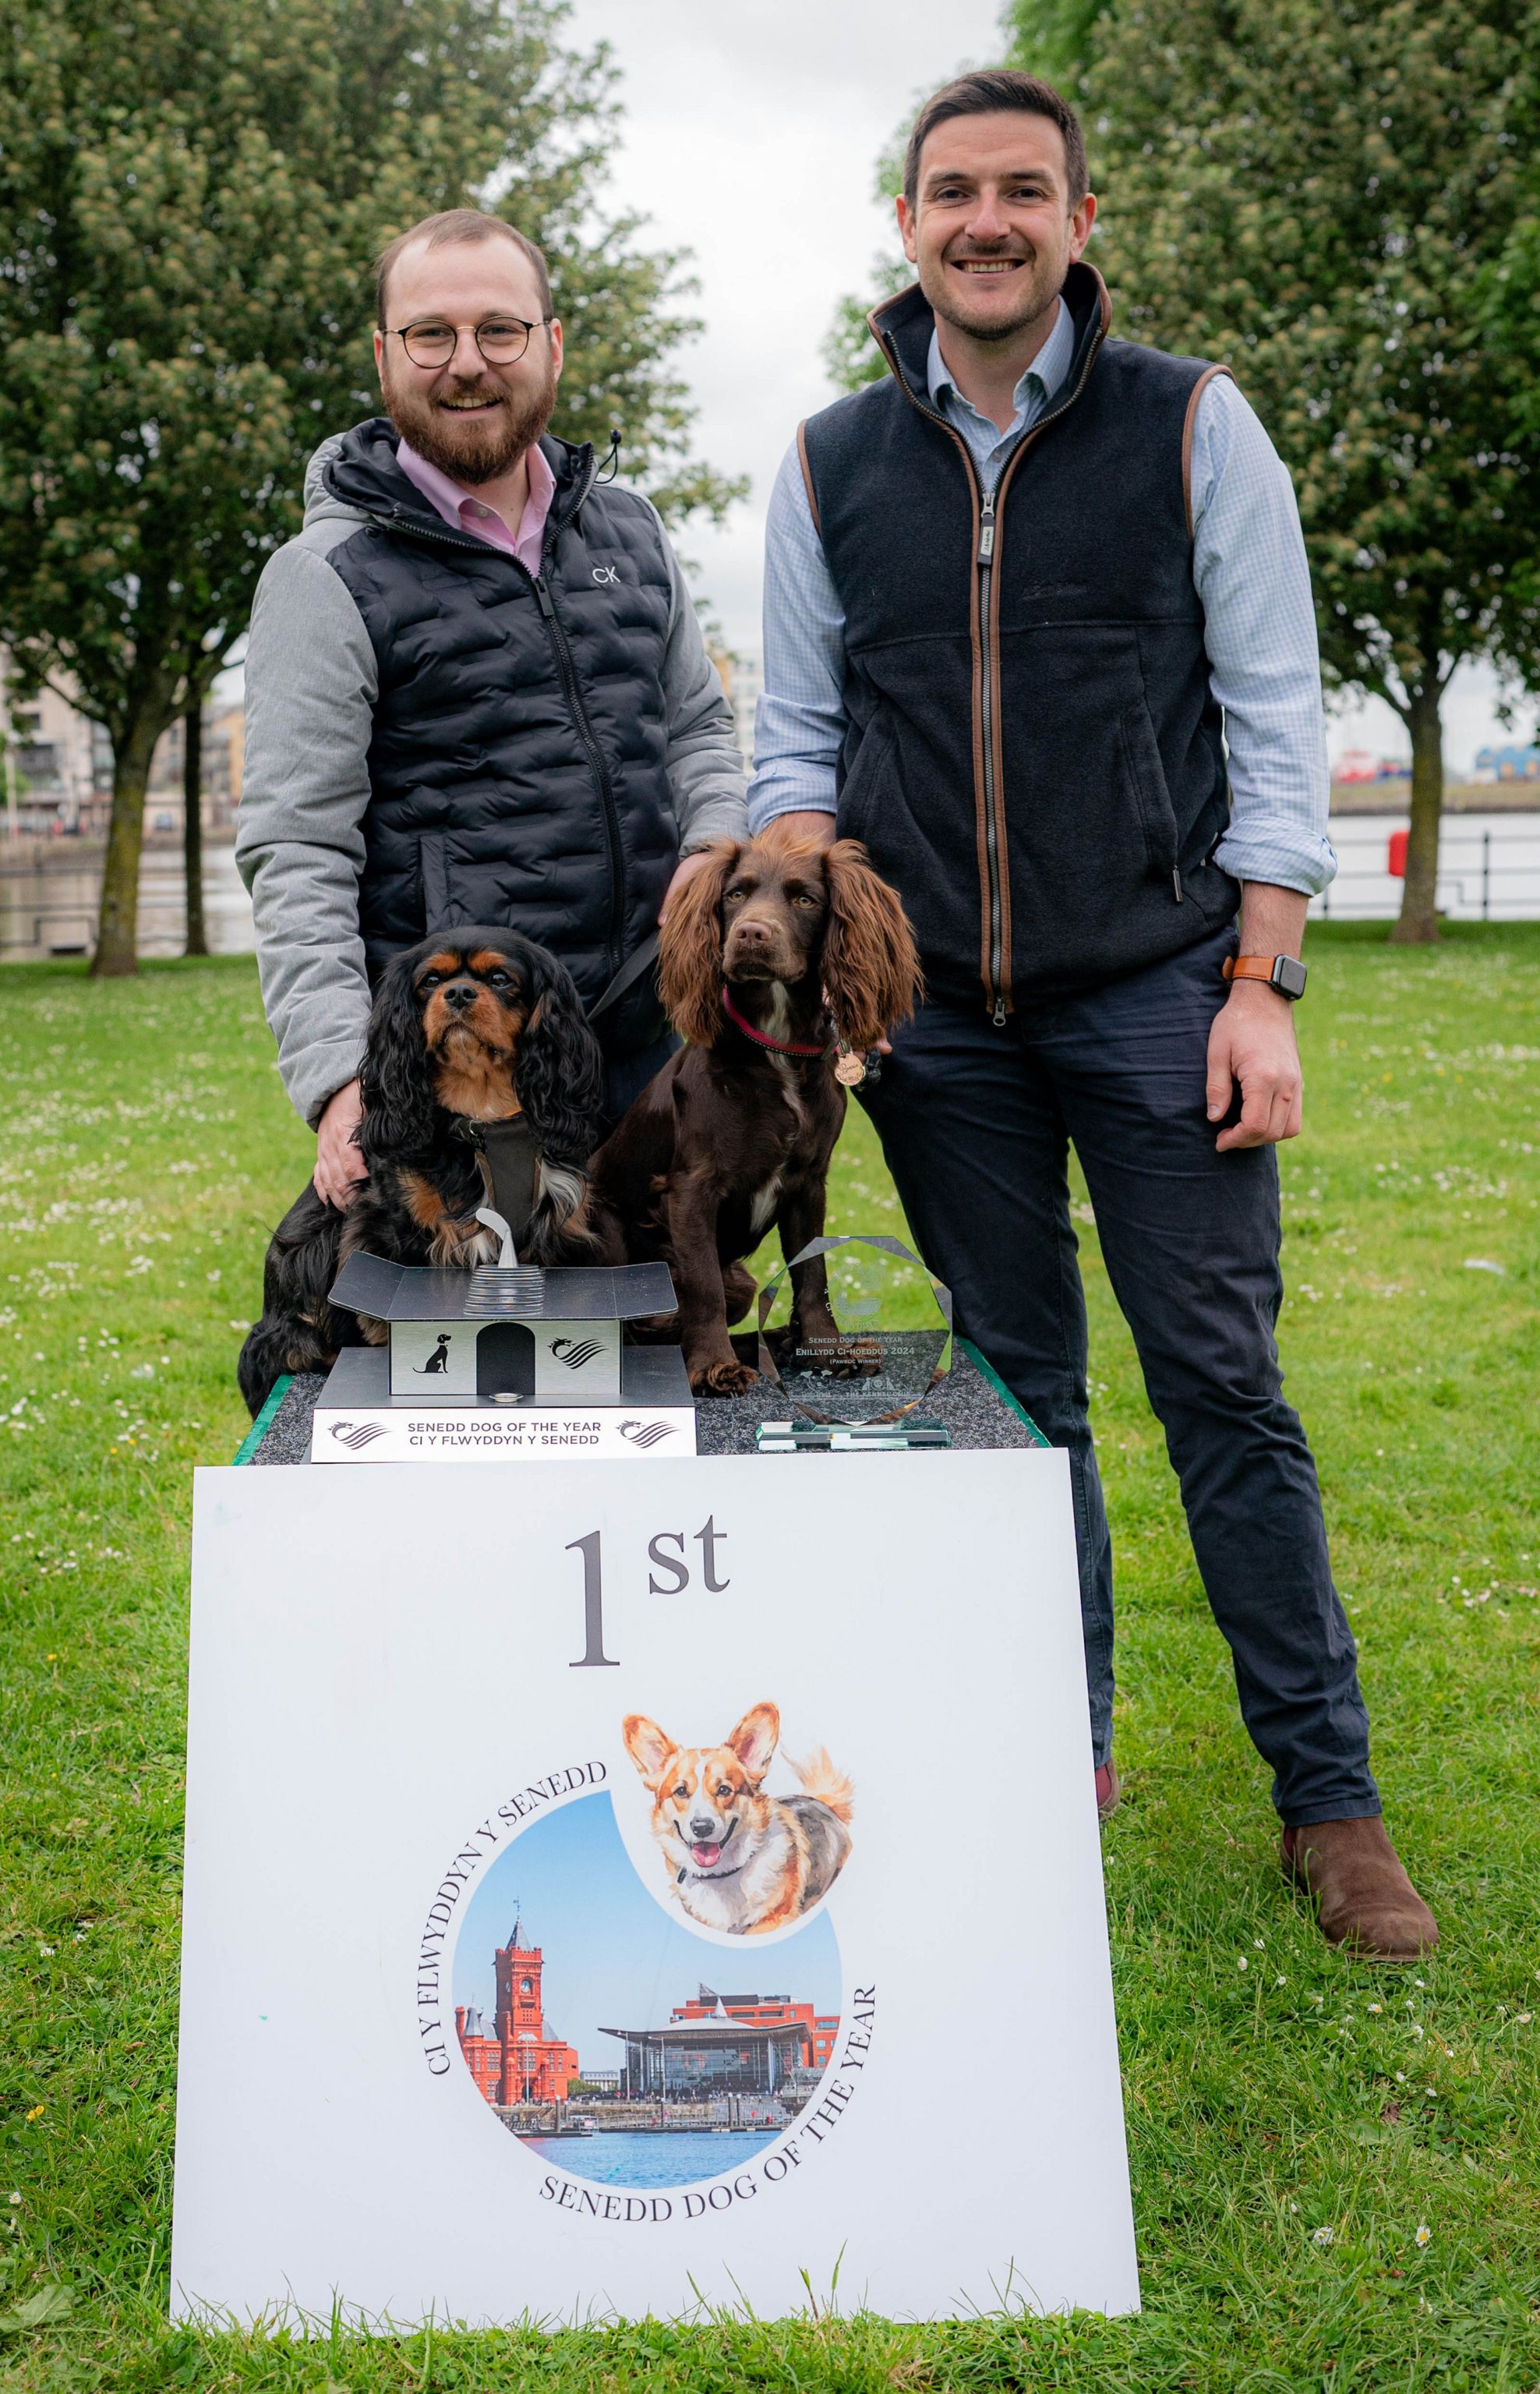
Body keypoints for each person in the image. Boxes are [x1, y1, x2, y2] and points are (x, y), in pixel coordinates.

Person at [750, 70, 1436, 1957]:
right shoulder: (823, 464)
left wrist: (1259, 977)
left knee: (1221, 1389)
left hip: (1159, 992)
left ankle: (1327, 1797)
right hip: (939, 1036)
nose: (986, 220)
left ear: (1075, 221)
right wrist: (821, 985)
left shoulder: (1193, 423)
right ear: (906, 227)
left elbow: (1277, 713)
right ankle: (1059, 1758)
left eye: (1022, 192)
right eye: (951, 192)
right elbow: (796, 748)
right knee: (1016, 1398)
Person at [237, 208, 747, 1202]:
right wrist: (340, 1078)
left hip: (655, 1048)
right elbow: (299, 848)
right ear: (385, 358)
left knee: (669, 1345)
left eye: (497, 330)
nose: (466, 361)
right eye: (430, 334)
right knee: (476, 1357)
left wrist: (707, 874)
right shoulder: (323, 576)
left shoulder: (632, 530)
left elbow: (696, 727)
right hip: (463, 1079)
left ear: (550, 346)